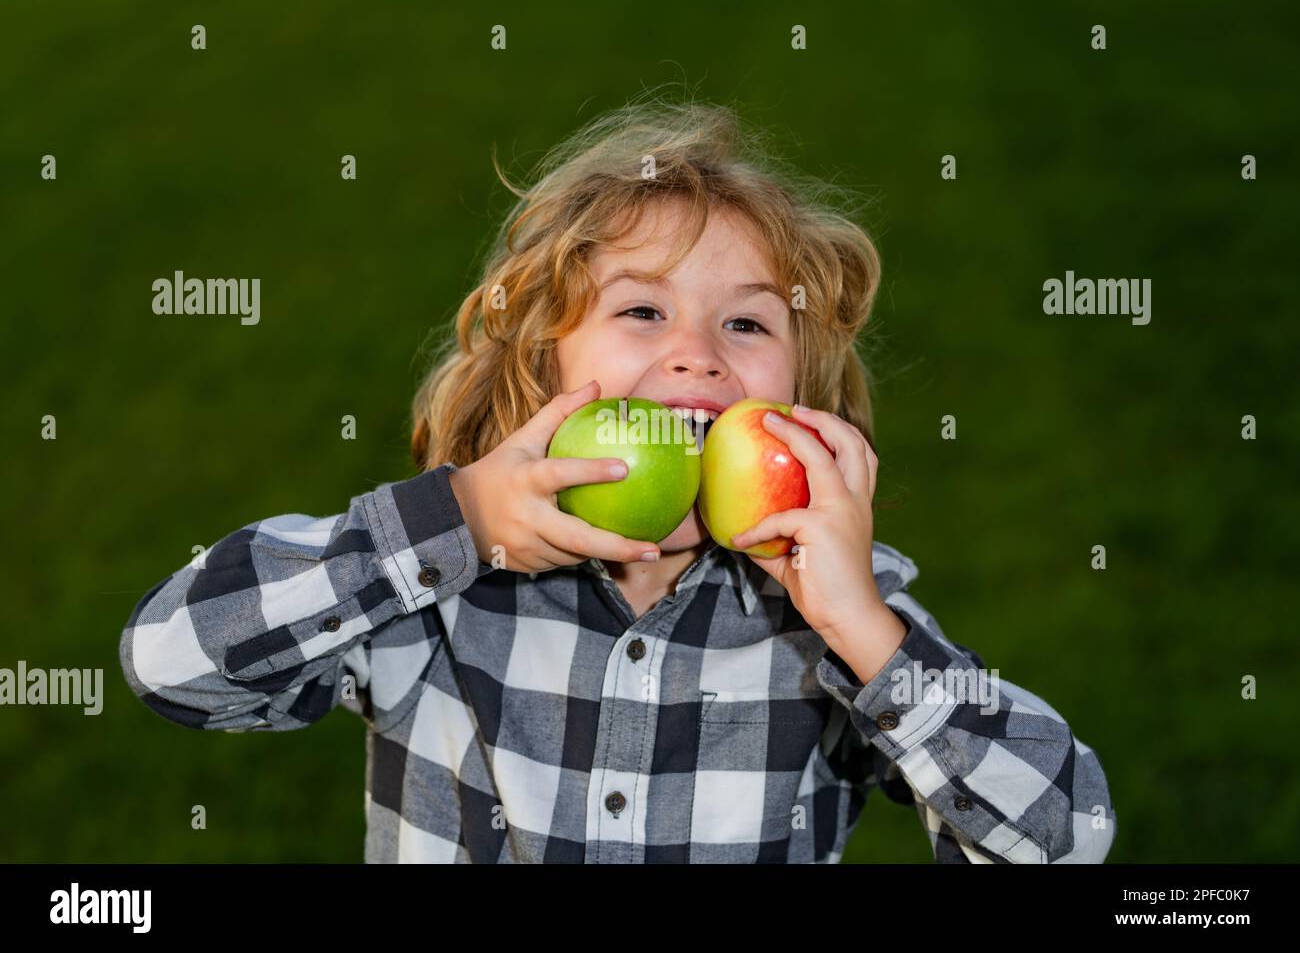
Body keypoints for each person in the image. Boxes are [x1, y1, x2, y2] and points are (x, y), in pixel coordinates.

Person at [119, 93, 1115, 863]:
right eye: (642, 312)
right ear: (540, 364)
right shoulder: (438, 582)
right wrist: (460, 518)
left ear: (800, 397)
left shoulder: (835, 617)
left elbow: (1067, 835)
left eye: (748, 323)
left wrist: (866, 633)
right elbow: (170, 659)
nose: (695, 354)